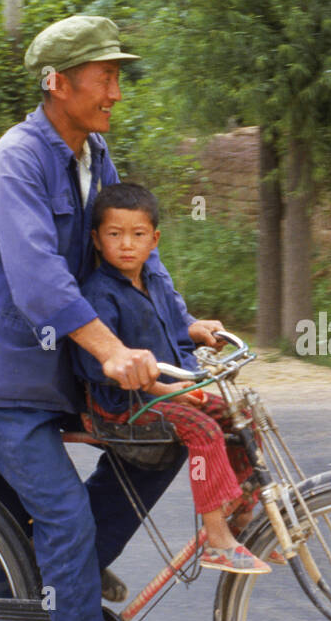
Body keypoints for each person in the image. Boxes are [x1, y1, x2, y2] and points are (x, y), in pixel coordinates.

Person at [0, 15, 219, 621]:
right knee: (65, 514)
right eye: (103, 78)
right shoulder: (18, 159)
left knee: (162, 441)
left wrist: (183, 322)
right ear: (58, 82)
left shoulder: (93, 151)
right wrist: (109, 350)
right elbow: (38, 280)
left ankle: (67, 581)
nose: (115, 92)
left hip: (65, 367)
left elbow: (135, 252)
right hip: (7, 376)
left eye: (116, 77)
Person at [75, 182, 270, 574]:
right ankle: (216, 539)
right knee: (203, 430)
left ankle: (241, 512)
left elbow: (174, 322)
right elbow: (98, 364)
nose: (126, 245)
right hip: (124, 405)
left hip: (166, 393)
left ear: (154, 239)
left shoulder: (155, 279)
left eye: (138, 235)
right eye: (115, 235)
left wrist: (195, 328)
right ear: (96, 240)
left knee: (242, 416)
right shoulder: (99, 294)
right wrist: (166, 391)